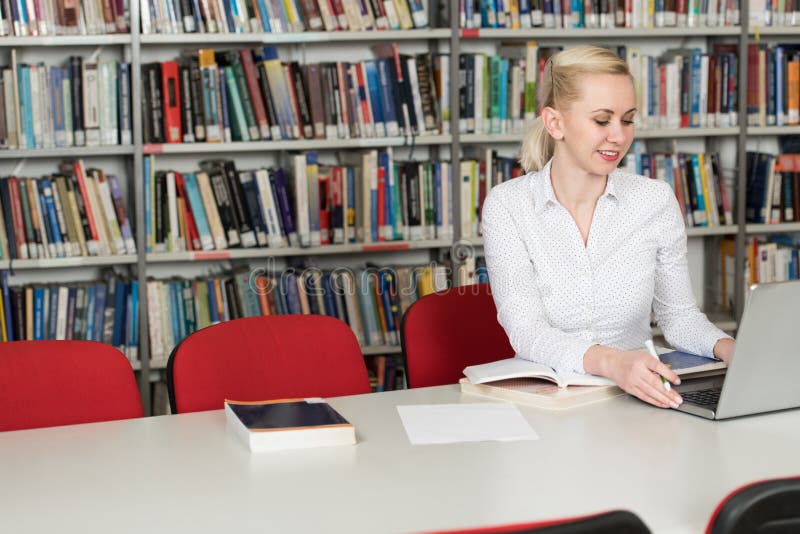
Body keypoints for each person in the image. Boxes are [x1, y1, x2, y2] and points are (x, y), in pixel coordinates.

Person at [481, 45, 735, 409]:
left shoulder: (655, 200)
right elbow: (527, 331)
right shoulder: (509, 206)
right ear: (555, 123)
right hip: (548, 405)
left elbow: (678, 317)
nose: (618, 136)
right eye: (602, 120)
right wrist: (612, 362)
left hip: (638, 397)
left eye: (627, 119)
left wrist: (731, 349)